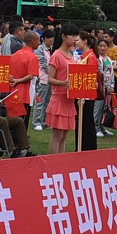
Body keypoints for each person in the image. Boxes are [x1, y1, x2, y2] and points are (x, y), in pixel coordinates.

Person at [45, 24, 80, 155]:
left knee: (64, 137)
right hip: (59, 100)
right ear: (64, 37)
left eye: (77, 36)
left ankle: (60, 164)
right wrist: (62, 83)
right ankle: (53, 163)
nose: (76, 38)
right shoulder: (57, 55)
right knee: (57, 136)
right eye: (73, 35)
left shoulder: (72, 55)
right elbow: (50, 78)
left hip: (69, 100)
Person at [31, 28, 53, 130]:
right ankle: (36, 122)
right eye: (49, 38)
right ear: (44, 39)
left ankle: (44, 121)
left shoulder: (52, 49)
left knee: (48, 101)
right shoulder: (40, 49)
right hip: (43, 78)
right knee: (40, 101)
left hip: (50, 79)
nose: (51, 40)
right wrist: (53, 73)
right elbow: (43, 63)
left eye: (52, 38)